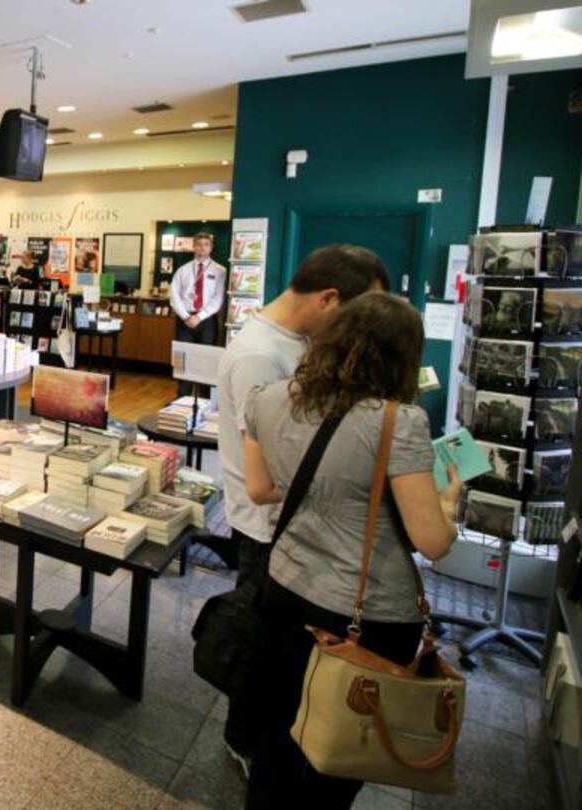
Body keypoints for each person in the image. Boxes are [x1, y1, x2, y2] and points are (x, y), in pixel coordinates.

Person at [241, 291, 460, 808]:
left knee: (276, 732)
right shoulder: (397, 422)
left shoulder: (270, 398)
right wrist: (450, 502)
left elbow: (259, 489)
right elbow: (431, 541)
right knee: (341, 752)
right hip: (365, 613)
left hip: (284, 583)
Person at [213, 244, 391, 772]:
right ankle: (244, 742)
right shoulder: (259, 356)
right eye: (358, 313)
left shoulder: (292, 343)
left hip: (290, 522)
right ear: (329, 298)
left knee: (279, 646)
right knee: (258, 643)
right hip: (267, 526)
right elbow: (267, 461)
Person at [169, 232, 225, 395]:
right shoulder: (183, 270)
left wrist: (199, 317)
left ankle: (204, 400)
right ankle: (182, 397)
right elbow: (174, 295)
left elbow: (218, 299)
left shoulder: (220, 271)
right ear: (193, 246)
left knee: (205, 360)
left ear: (211, 247)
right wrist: (186, 316)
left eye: (206, 244)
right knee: (184, 359)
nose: (202, 247)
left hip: (206, 320)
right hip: (185, 319)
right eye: (199, 244)